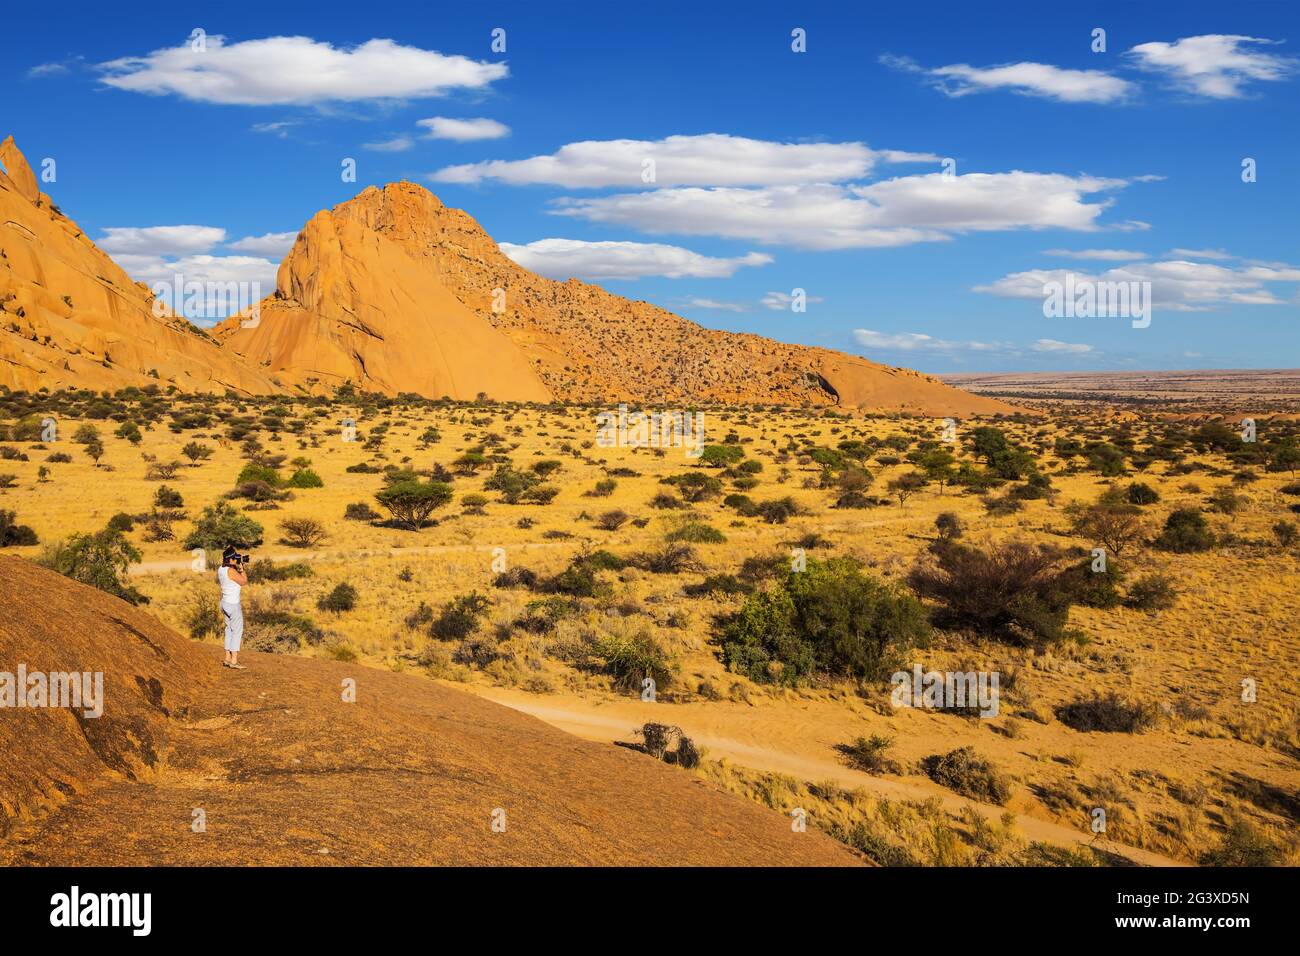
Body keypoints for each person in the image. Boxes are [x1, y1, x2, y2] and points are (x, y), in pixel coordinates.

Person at [218, 546, 248, 669]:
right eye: (235, 558)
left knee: (229, 629)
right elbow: (244, 581)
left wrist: (237, 566)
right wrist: (242, 569)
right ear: (231, 560)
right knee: (237, 631)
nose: (236, 560)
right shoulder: (232, 571)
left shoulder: (221, 569)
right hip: (233, 604)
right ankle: (234, 661)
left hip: (224, 602)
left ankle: (227, 658)